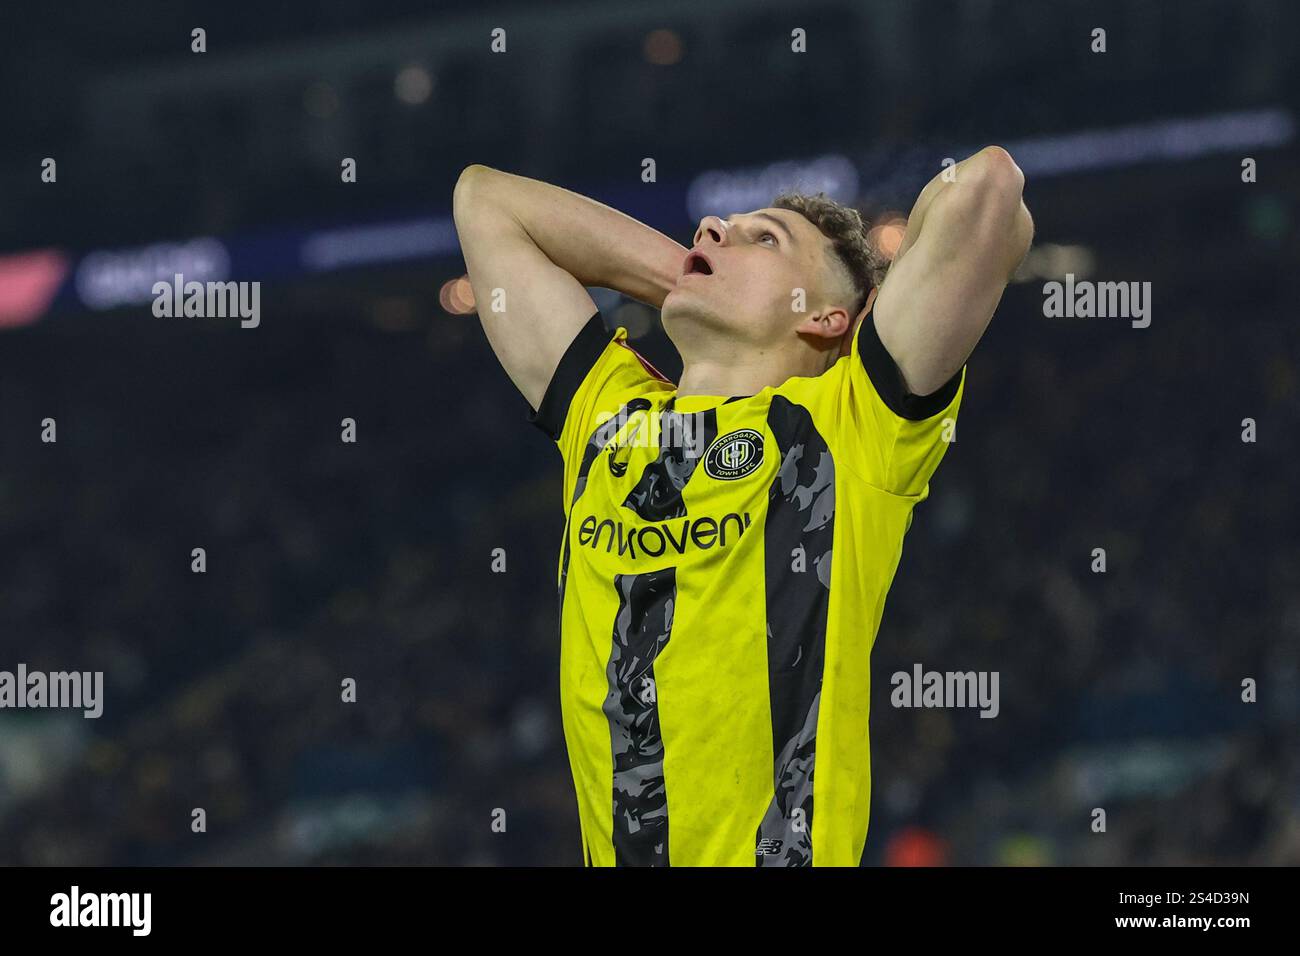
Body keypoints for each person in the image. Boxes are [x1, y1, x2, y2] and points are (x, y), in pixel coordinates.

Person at [452, 149, 1033, 866]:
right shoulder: (604, 414)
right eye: (721, 226)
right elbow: (485, 202)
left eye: (767, 238)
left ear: (826, 319)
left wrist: (864, 310)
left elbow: (990, 190)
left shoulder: (851, 423)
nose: (713, 227)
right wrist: (692, 275)